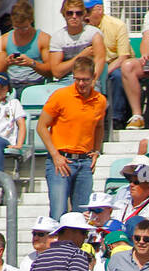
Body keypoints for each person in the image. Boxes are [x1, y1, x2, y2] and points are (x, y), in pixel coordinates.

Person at [37, 56, 107, 220]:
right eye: (78, 79)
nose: (81, 84)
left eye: (86, 80)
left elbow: (99, 126)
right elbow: (41, 126)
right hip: (62, 160)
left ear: (93, 78)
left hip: (84, 162)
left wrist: (96, 151)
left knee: (81, 216)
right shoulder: (61, 95)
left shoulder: (100, 100)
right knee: (58, 212)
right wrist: (55, 155)